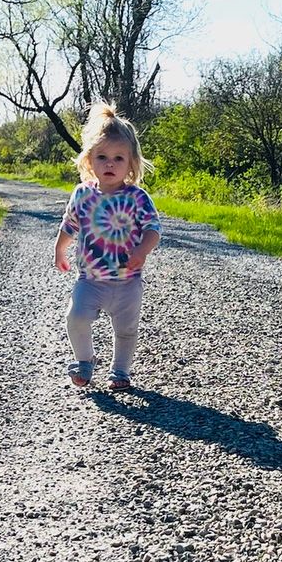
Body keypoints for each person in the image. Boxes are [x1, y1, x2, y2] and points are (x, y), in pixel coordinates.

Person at [53, 103, 162, 392]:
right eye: (102, 157)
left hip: (127, 281)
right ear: (90, 161)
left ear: (131, 163)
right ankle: (84, 362)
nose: (110, 164)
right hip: (90, 280)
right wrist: (59, 250)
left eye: (118, 158)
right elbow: (69, 225)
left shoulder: (137, 197)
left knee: (126, 331)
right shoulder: (83, 194)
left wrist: (141, 252)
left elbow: (153, 230)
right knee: (75, 318)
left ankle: (120, 372)